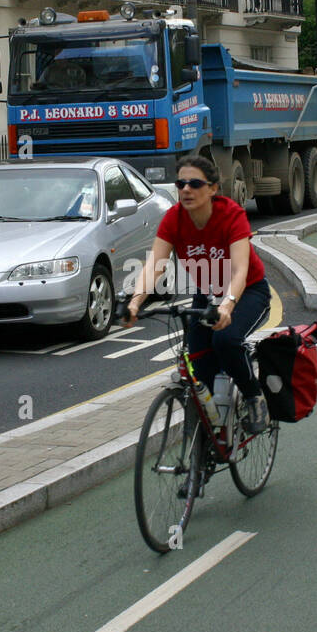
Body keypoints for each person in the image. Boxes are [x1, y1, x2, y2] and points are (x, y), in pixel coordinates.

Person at [124, 155, 272, 433]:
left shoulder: (231, 215)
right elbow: (155, 264)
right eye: (181, 183)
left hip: (248, 291)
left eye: (194, 183)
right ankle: (203, 450)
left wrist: (228, 305)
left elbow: (240, 270)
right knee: (197, 363)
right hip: (207, 294)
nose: (186, 190)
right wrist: (134, 303)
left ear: (213, 188)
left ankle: (253, 397)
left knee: (226, 340)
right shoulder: (174, 219)